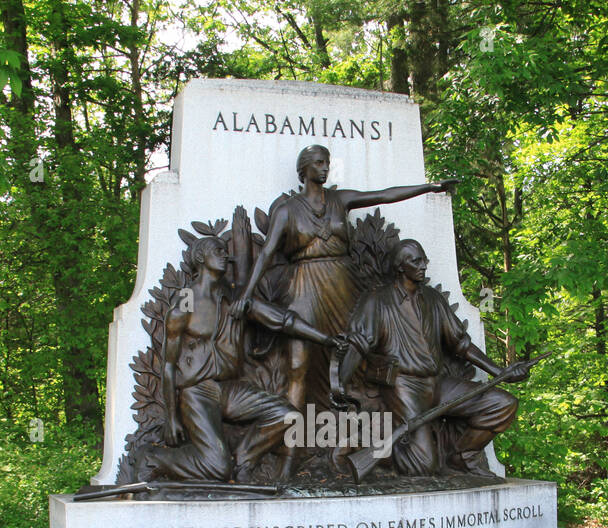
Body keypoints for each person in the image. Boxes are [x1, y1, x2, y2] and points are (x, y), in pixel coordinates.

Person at [231, 144, 457, 418]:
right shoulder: (287, 210)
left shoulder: (340, 200)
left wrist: (429, 187)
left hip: (343, 284)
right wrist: (247, 292)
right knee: (299, 362)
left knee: (355, 351)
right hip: (305, 287)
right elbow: (267, 252)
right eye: (318, 162)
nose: (325, 167)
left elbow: (383, 195)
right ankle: (289, 437)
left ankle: (350, 425)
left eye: (327, 162)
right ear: (304, 169)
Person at [148, 236, 336, 482]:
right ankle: (153, 458)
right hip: (197, 391)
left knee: (288, 415)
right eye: (218, 250)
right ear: (200, 258)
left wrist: (327, 339)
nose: (225, 255)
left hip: (227, 389)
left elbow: (284, 321)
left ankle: (244, 460)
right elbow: (169, 364)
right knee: (216, 468)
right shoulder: (186, 300)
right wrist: (171, 417)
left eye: (225, 250)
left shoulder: (236, 298)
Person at [333, 239, 526, 477]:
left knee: (503, 404)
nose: (423, 265)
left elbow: (461, 344)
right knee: (424, 465)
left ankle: (462, 457)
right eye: (416, 261)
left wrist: (500, 372)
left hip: (438, 383)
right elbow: (358, 345)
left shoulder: (433, 299)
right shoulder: (378, 301)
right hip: (403, 386)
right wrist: (339, 384)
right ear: (400, 266)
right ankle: (369, 444)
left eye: (424, 259)